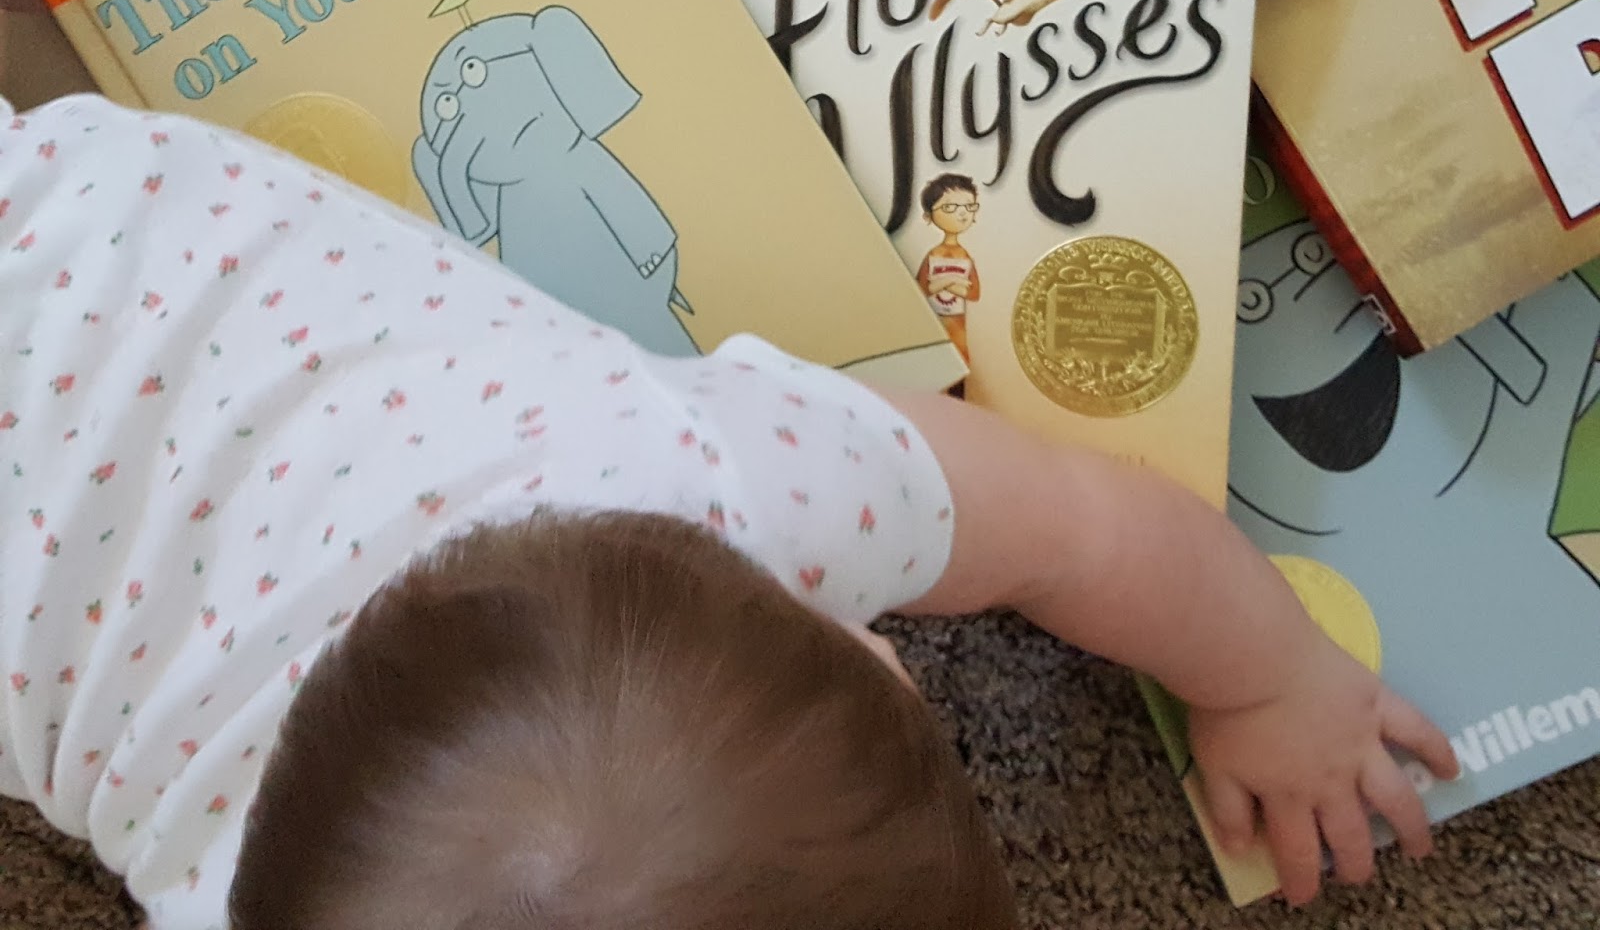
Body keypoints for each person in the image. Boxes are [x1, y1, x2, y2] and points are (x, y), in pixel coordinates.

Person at [0, 91, 1459, 930]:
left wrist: (1271, 676)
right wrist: (1267, 677)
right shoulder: (727, 476)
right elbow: (1080, 526)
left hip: (84, 216)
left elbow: (1083, 523)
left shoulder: (735, 474)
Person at [914, 172, 982, 365]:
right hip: (932, 326)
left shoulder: (964, 255)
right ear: (929, 215)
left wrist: (943, 284)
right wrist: (951, 281)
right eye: (950, 207)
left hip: (958, 326)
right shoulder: (933, 254)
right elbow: (920, 289)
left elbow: (974, 292)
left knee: (960, 362)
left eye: (969, 206)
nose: (962, 213)